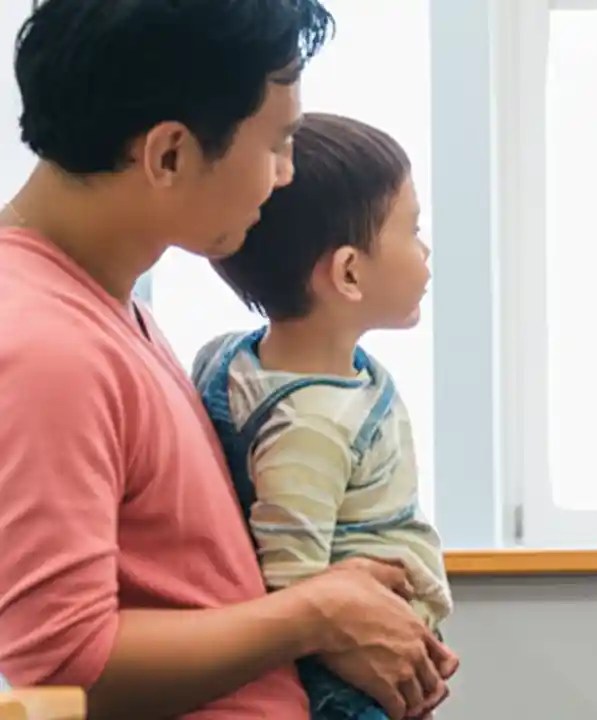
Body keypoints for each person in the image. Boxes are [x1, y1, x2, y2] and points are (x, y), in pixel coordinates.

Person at [0, 2, 456, 719]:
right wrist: (315, 614)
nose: (283, 175)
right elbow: (63, 661)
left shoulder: (111, 309)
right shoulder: (47, 345)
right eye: (277, 142)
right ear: (170, 154)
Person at [193, 112, 451, 720]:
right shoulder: (311, 425)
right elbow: (296, 587)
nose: (426, 249)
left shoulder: (239, 361)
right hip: (347, 686)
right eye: (413, 230)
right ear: (349, 272)